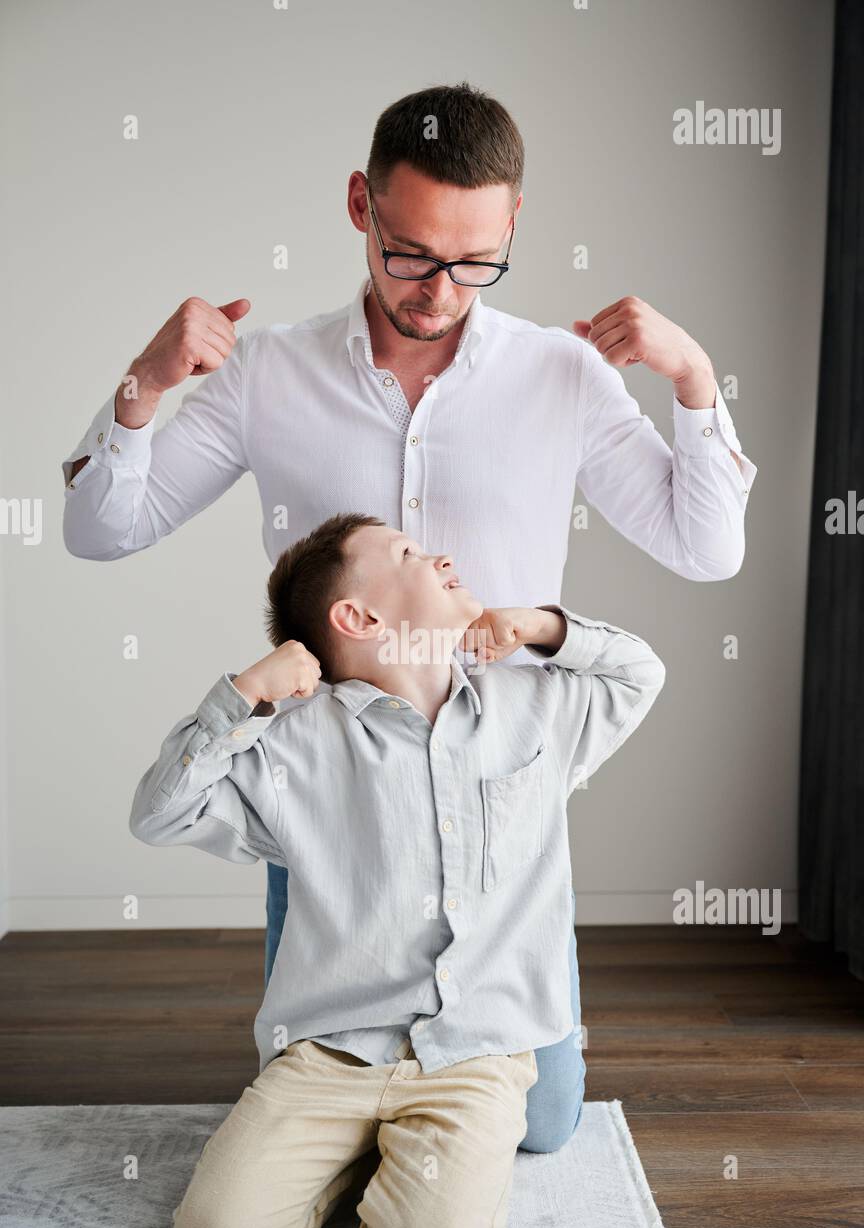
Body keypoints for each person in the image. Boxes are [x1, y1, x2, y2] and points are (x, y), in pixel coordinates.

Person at [60, 82, 756, 1153]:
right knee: (323, 1116)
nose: (440, 289)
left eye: (476, 262)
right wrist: (143, 385)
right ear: (361, 206)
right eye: (413, 254)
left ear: (513, 225)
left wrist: (696, 381)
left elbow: (707, 550)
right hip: (334, 801)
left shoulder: (562, 374)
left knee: (545, 1127)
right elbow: (104, 529)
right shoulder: (271, 372)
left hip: (503, 807)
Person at [128, 511, 666, 1228]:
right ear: (359, 617)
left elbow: (639, 672)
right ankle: (351, 1155)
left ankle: (400, 1158)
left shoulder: (535, 707)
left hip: (477, 1053)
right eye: (410, 553)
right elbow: (159, 812)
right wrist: (243, 694)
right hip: (331, 1049)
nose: (443, 554)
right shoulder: (291, 741)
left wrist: (542, 625)